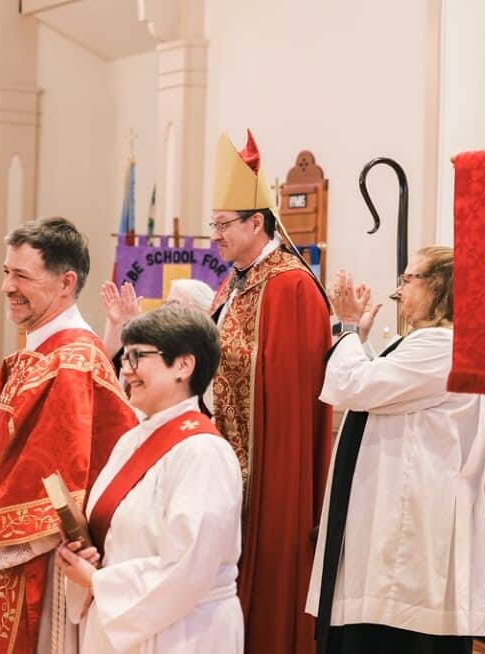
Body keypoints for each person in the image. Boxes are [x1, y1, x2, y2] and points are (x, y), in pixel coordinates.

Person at [0, 216, 137, 653]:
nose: (7, 286)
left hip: (39, 567)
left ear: (65, 283)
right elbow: (8, 455)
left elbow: (57, 478)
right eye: (6, 272)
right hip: (7, 556)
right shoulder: (38, 352)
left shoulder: (73, 361)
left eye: (22, 275)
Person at [307, 248, 485, 654]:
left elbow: (353, 388)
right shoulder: (430, 346)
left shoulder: (442, 348)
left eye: (409, 279)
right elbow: (383, 396)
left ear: (441, 286)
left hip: (406, 533)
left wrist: (350, 326)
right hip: (396, 515)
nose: (398, 290)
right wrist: (356, 338)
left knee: (392, 636)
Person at [56, 306, 244, 653]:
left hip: (184, 632)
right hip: (125, 621)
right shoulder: (131, 441)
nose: (126, 371)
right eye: (125, 358)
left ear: (183, 366)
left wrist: (98, 581)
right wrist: (85, 554)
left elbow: (189, 567)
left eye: (137, 357)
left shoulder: (203, 453)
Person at [208, 130, 332, 654]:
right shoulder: (233, 281)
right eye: (212, 225)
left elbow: (290, 402)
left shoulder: (292, 286)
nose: (214, 236)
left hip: (267, 470)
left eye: (222, 225)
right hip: (221, 461)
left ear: (256, 223)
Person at [101, 278, 216, 374]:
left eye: (173, 304)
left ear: (200, 312)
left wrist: (134, 325)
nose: (165, 311)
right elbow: (112, 371)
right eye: (165, 304)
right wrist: (116, 325)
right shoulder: (159, 346)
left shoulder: (203, 354)